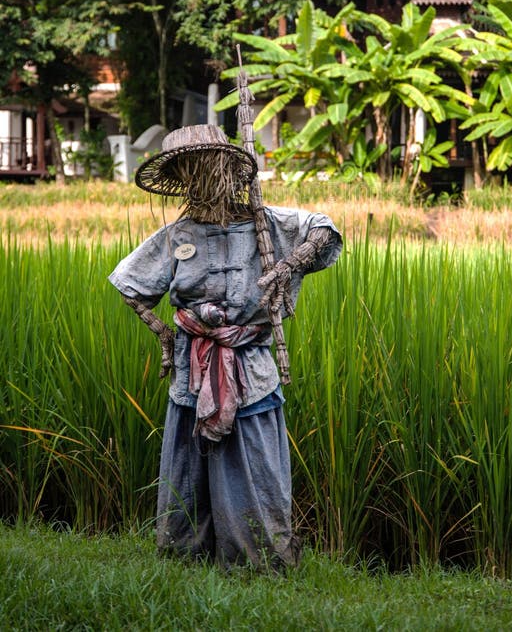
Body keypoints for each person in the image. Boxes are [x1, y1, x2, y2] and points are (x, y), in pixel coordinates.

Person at [109, 124, 342, 568]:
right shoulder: (178, 236)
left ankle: (258, 557)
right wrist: (162, 332)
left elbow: (325, 232)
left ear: (226, 169)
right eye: (188, 170)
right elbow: (132, 285)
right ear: (181, 176)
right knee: (189, 465)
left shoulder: (269, 223)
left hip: (249, 364)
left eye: (206, 166)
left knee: (254, 462)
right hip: (193, 365)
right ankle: (185, 557)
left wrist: (287, 265)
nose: (200, 177)